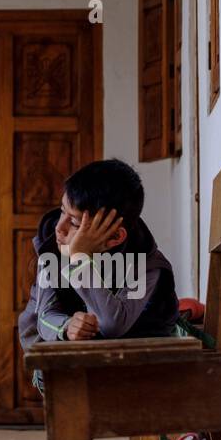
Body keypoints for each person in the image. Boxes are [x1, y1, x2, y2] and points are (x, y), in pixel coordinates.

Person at [17, 158, 179, 394]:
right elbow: (45, 315)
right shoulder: (53, 243)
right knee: (35, 318)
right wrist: (66, 326)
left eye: (73, 222)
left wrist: (79, 259)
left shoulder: (146, 262)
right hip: (62, 347)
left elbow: (113, 324)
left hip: (129, 356)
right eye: (62, 211)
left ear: (114, 237)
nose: (59, 228)